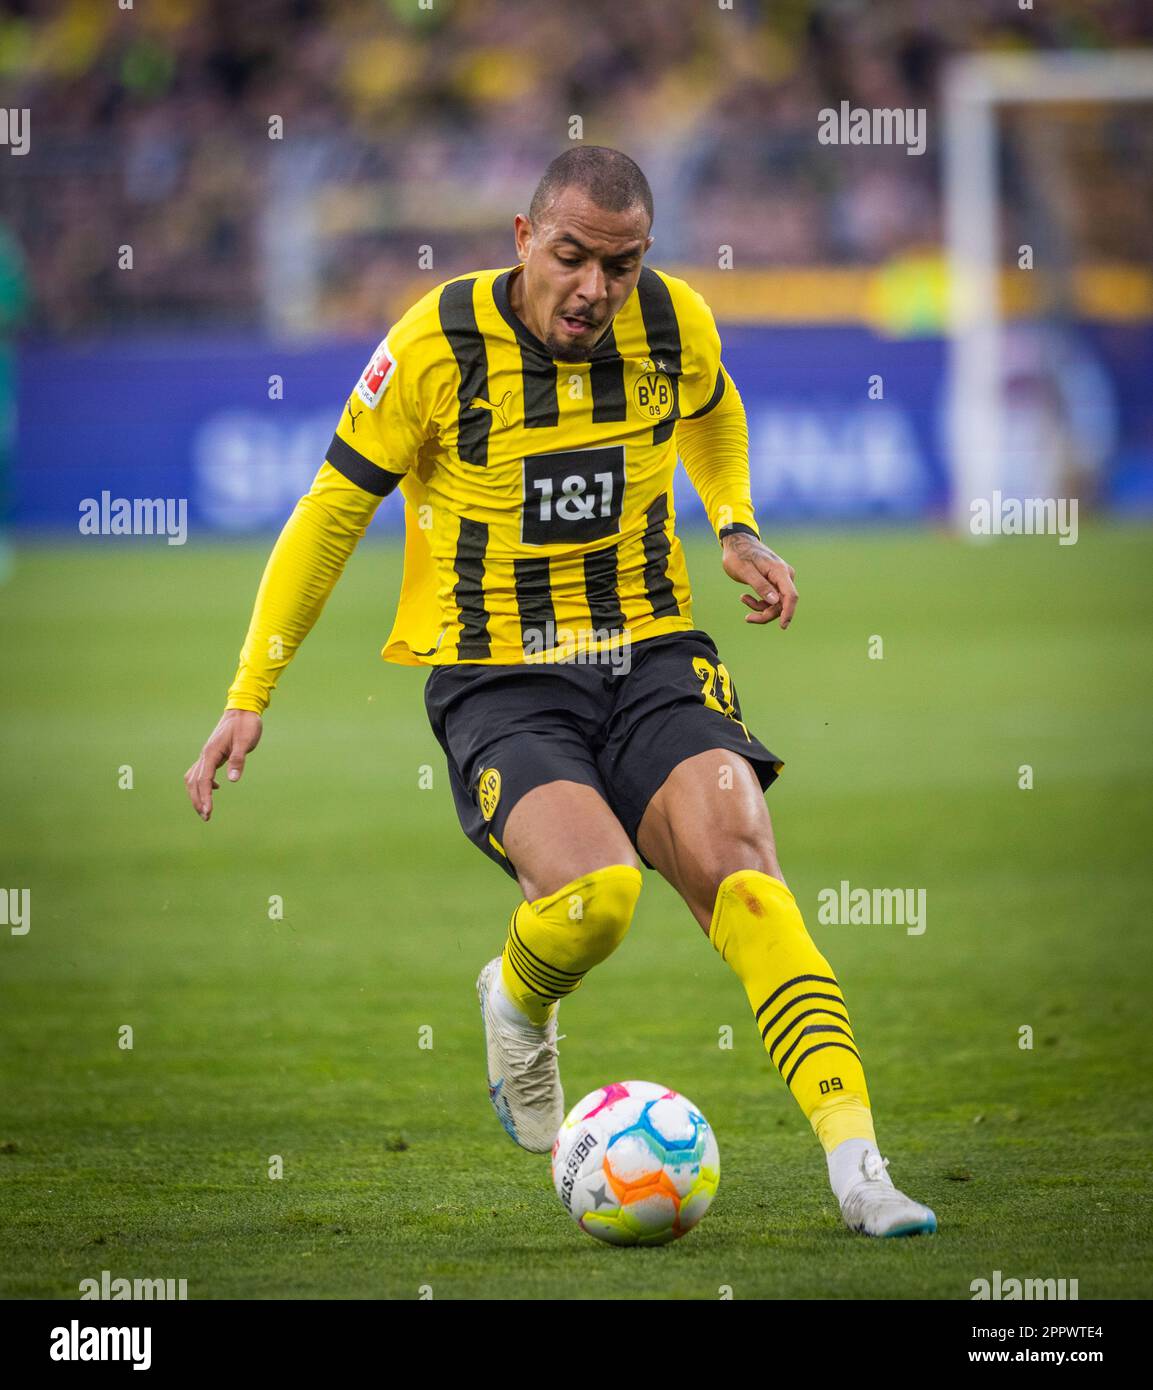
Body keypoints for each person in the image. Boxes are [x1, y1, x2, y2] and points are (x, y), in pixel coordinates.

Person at [185, 146, 935, 1238]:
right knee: (601, 896)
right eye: (575, 257)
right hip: (501, 673)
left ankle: (858, 1163)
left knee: (747, 871)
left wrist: (733, 520)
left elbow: (711, 414)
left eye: (623, 264)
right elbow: (328, 512)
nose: (597, 289)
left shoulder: (673, 322)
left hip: (647, 648)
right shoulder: (435, 344)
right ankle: (519, 994)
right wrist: (251, 689)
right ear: (524, 238)